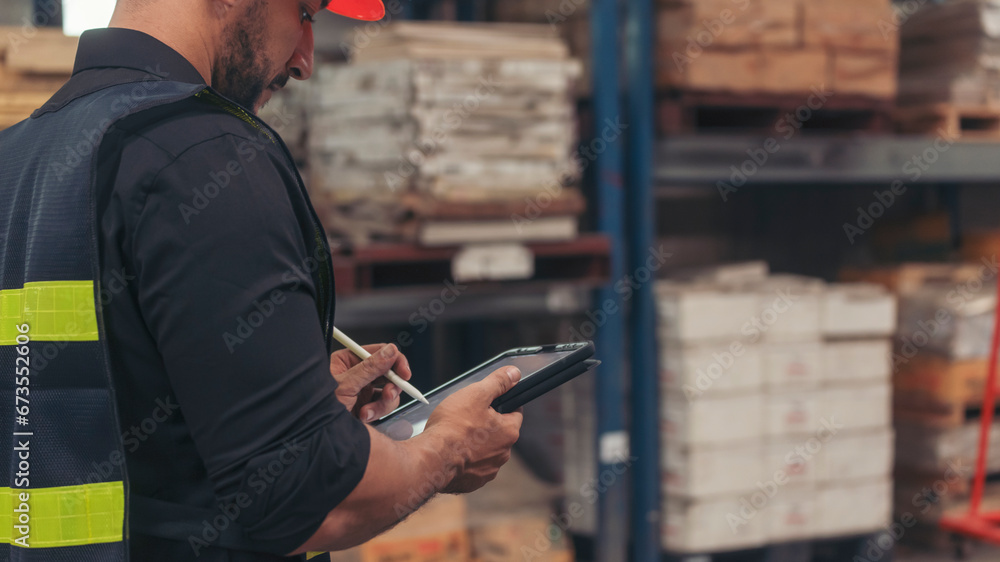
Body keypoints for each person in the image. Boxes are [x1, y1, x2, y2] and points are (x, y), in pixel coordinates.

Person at [0, 0, 523, 561]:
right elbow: (307, 499)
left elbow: (89, 398)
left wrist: (284, 403)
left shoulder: (19, 154)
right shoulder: (204, 155)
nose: (304, 61)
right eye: (304, 12)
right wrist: (449, 448)